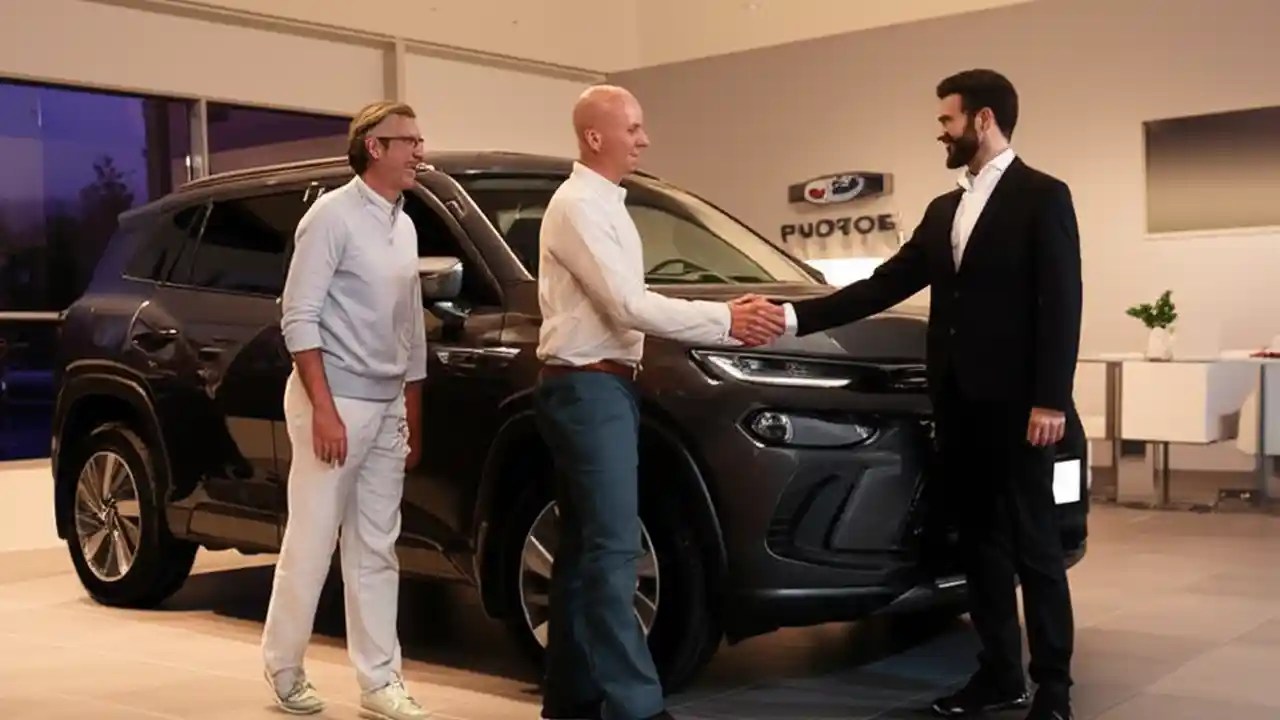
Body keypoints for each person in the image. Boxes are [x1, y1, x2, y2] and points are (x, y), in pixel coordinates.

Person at [779, 69, 1081, 720]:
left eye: (946, 119)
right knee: (981, 549)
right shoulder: (945, 209)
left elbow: (1061, 304)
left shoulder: (1043, 196)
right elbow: (884, 284)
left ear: (982, 120)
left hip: (1023, 411)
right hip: (958, 407)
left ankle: (1053, 690)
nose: (938, 130)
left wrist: (1051, 399)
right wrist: (793, 318)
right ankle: (1000, 675)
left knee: (1036, 549)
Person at [534, 84, 785, 720]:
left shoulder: (605, 206)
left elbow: (628, 304)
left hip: (600, 386)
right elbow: (627, 305)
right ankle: (637, 706)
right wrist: (726, 320)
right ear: (595, 137)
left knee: (586, 549)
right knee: (615, 550)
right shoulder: (580, 207)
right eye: (635, 129)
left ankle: (571, 698)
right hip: (588, 388)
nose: (644, 140)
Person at [261, 100, 430, 720]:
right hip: (332, 404)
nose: (418, 150)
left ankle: (380, 682)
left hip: (385, 406)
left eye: (419, 138)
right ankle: (284, 668)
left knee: (376, 548)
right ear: (373, 148)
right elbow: (298, 318)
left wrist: (411, 410)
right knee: (311, 541)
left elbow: (409, 326)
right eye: (405, 140)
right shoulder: (330, 217)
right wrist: (324, 410)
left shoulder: (404, 223)